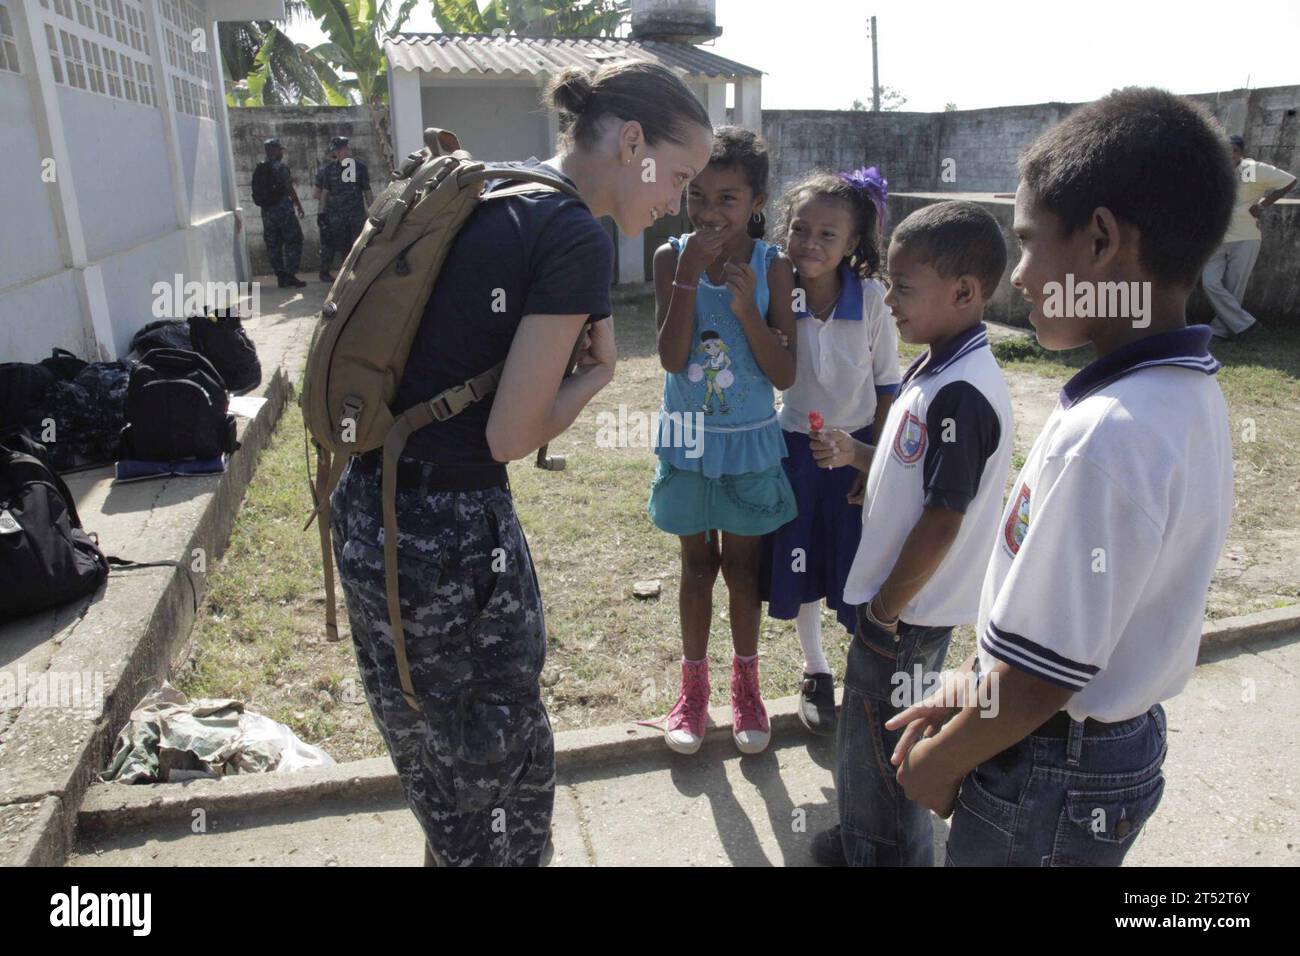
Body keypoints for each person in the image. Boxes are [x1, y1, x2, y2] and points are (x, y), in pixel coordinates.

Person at [327, 61, 713, 867]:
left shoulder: (501, 188)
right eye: (678, 176)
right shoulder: (571, 231)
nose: (677, 201)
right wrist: (597, 375)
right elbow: (511, 435)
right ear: (631, 142)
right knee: (498, 782)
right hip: (449, 536)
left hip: (372, 504)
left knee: (440, 763)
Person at [886, 88, 1236, 867]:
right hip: (1106, 746)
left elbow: (1044, 681)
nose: (1020, 273)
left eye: (1027, 241)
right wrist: (971, 686)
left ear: (1102, 239)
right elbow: (1072, 623)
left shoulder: (1108, 434)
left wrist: (942, 761)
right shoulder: (1186, 392)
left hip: (1048, 761)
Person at [810, 200, 1015, 866]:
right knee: (864, 739)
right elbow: (919, 471)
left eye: (903, 287)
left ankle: (887, 852)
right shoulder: (937, 367)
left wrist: (885, 610)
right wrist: (862, 458)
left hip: (906, 616)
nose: (889, 301)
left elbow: (943, 518)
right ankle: (860, 839)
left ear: (962, 292)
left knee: (884, 750)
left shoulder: (962, 393)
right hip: (898, 609)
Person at [644, 126, 798, 757]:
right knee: (695, 566)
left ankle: (746, 683)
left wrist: (746, 315)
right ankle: (693, 689)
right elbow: (673, 358)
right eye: (697, 195)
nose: (709, 212)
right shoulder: (668, 258)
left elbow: (784, 372)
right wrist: (685, 277)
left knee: (742, 568)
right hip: (685, 438)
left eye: (727, 199)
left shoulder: (774, 265)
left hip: (748, 443)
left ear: (756, 201)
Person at [759, 166, 900, 736]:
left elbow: (890, 389)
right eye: (800, 229)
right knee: (804, 556)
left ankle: (863, 675)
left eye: (828, 235)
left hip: (857, 452)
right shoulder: (777, 295)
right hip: (795, 448)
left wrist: (869, 461)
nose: (810, 244)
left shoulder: (870, 302)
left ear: (852, 245)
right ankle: (815, 670)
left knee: (854, 561)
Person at [1202, 134, 1295, 340]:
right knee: (1209, 281)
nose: (1229, 155)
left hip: (1245, 236)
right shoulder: (1217, 171)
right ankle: (1247, 325)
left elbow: (1289, 181)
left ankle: (1220, 330)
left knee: (1235, 288)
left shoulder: (1252, 169)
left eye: (1234, 151)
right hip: (1218, 237)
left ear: (1241, 153)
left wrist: (1263, 205)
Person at [314, 135, 373, 282]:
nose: (339, 153)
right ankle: (345, 276)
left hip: (356, 215)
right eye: (336, 150)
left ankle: (357, 274)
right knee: (341, 246)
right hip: (337, 216)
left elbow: (367, 191)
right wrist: (321, 213)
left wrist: (373, 211)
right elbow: (325, 193)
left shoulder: (360, 168)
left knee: (358, 245)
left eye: (341, 149)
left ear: (346, 149)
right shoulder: (329, 170)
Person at [257, 138, 306, 288]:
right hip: (283, 211)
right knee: (294, 239)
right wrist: (298, 205)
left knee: (273, 244)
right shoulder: (280, 167)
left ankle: (280, 276)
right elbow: (289, 188)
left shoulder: (260, 168)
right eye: (280, 150)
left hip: (267, 213)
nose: (282, 153)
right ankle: (290, 275)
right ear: (274, 150)